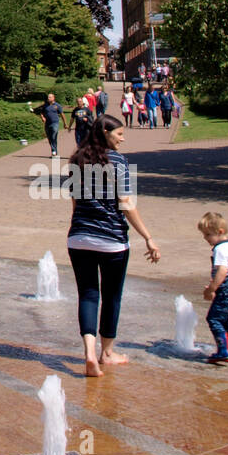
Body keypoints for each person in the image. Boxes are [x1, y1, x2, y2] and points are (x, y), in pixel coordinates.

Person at [66, 115, 160, 377]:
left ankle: (88, 353)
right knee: (111, 296)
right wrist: (148, 237)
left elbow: (74, 203)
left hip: (79, 238)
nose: (123, 138)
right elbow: (126, 203)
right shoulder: (116, 161)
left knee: (87, 294)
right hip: (112, 240)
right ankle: (106, 354)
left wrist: (80, 228)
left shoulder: (76, 159)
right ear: (106, 132)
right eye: (119, 134)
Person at [199, 212, 228, 364]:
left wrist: (212, 289)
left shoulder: (219, 249)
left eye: (207, 234)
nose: (205, 238)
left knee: (214, 319)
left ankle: (223, 351)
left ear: (219, 232)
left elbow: (223, 271)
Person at [37, 93, 67, 158]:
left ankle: (53, 151)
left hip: (55, 123)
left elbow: (62, 114)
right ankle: (54, 151)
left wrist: (65, 123)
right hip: (47, 124)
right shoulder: (45, 106)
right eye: (48, 97)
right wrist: (42, 117)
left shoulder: (57, 106)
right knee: (50, 138)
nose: (48, 98)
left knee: (53, 136)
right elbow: (41, 113)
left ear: (53, 98)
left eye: (50, 97)